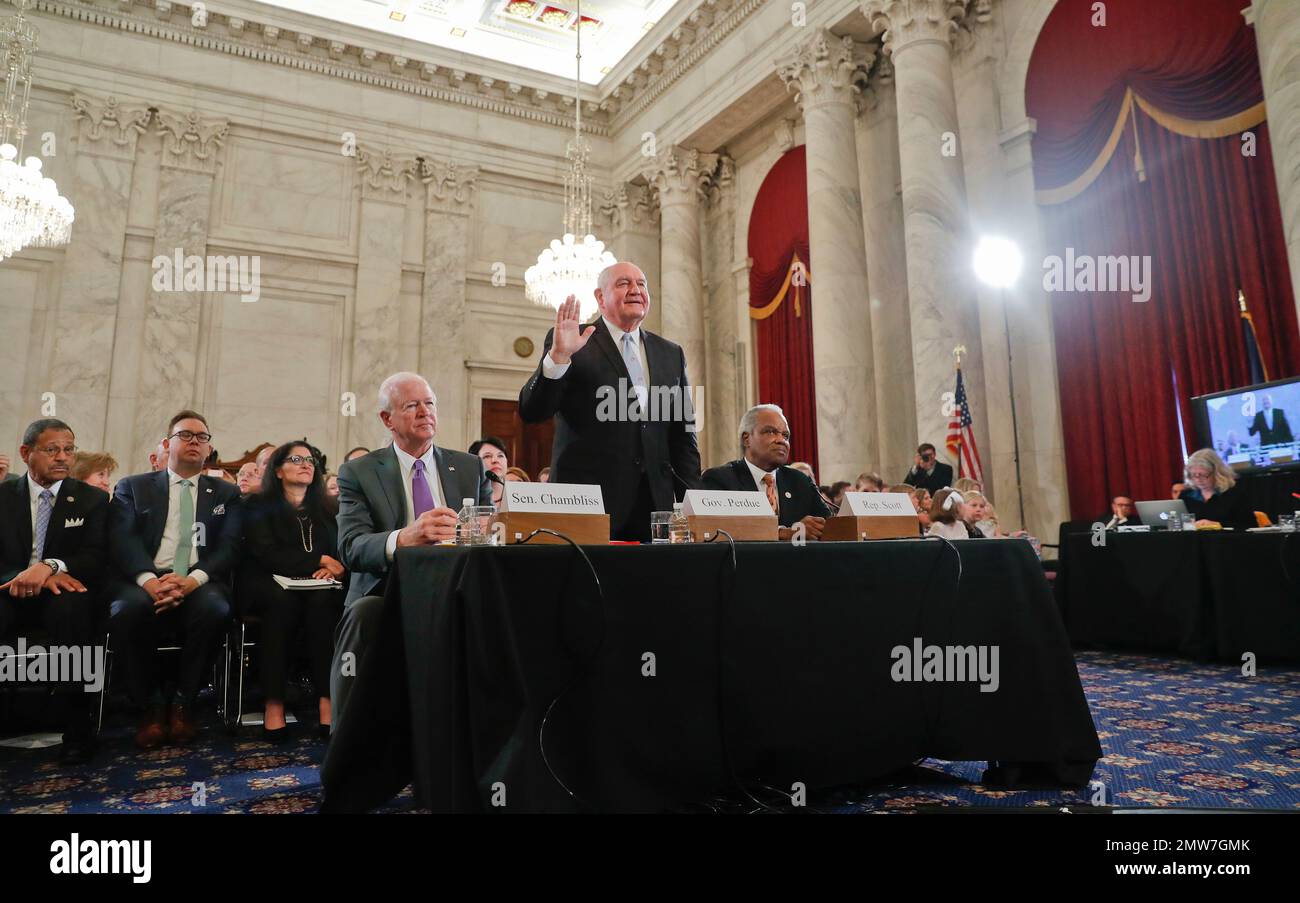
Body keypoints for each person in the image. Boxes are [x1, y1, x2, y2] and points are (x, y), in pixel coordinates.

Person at [330, 372, 491, 735]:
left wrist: (472, 534)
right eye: (412, 406)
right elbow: (351, 547)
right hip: (388, 591)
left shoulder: (468, 467)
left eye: (430, 403)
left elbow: (488, 531)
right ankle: (348, 751)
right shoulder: (360, 472)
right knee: (362, 616)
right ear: (388, 419)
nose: (425, 412)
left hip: (457, 587)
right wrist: (405, 536)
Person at [519, 262, 701, 540]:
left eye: (641, 284)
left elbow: (682, 436)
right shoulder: (575, 340)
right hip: (587, 505)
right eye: (623, 283)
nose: (635, 290)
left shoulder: (670, 353)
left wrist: (693, 506)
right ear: (600, 298)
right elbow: (533, 411)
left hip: (654, 509)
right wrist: (558, 358)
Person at [108, 410, 243, 749]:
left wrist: (193, 580)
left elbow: (229, 547)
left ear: (209, 449)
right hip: (145, 578)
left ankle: (184, 700)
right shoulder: (133, 487)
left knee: (216, 609)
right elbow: (123, 541)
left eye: (202, 437)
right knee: (125, 611)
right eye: (186, 435)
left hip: (199, 579)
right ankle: (151, 704)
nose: (195, 442)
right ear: (167, 444)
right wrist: (150, 581)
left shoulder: (225, 493)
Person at [0, 419, 109, 764]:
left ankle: (78, 728)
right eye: (52, 450)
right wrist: (27, 576)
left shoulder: (92, 499)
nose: (63, 457)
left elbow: (96, 556)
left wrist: (50, 567)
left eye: (69, 449)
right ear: (25, 454)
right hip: (8, 587)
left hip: (63, 589)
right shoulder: (3, 497)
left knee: (77, 613)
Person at [238, 442, 345, 741]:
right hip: (267, 581)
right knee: (281, 603)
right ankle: (274, 703)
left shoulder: (330, 508)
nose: (306, 464)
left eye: (310, 460)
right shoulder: (256, 505)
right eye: (296, 459)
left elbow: (340, 552)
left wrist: (334, 567)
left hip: (315, 585)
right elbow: (265, 552)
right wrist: (320, 560)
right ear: (278, 469)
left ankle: (328, 701)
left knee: (325, 602)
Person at [701, 404, 829, 540]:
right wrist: (784, 533)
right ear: (746, 439)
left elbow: (830, 525)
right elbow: (713, 531)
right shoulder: (720, 479)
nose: (781, 441)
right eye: (770, 432)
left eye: (785, 435)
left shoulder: (800, 481)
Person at [1179, 448, 1254, 530]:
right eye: (1193, 475)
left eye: (1203, 475)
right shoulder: (1186, 495)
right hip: (1194, 541)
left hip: (1226, 540)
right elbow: (1179, 525)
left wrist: (1218, 525)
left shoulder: (1235, 495)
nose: (1198, 479)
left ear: (1217, 473)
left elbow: (1250, 526)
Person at [468, 437, 509, 505]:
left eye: (500, 455)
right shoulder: (467, 495)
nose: (495, 460)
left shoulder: (517, 495)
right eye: (487, 456)